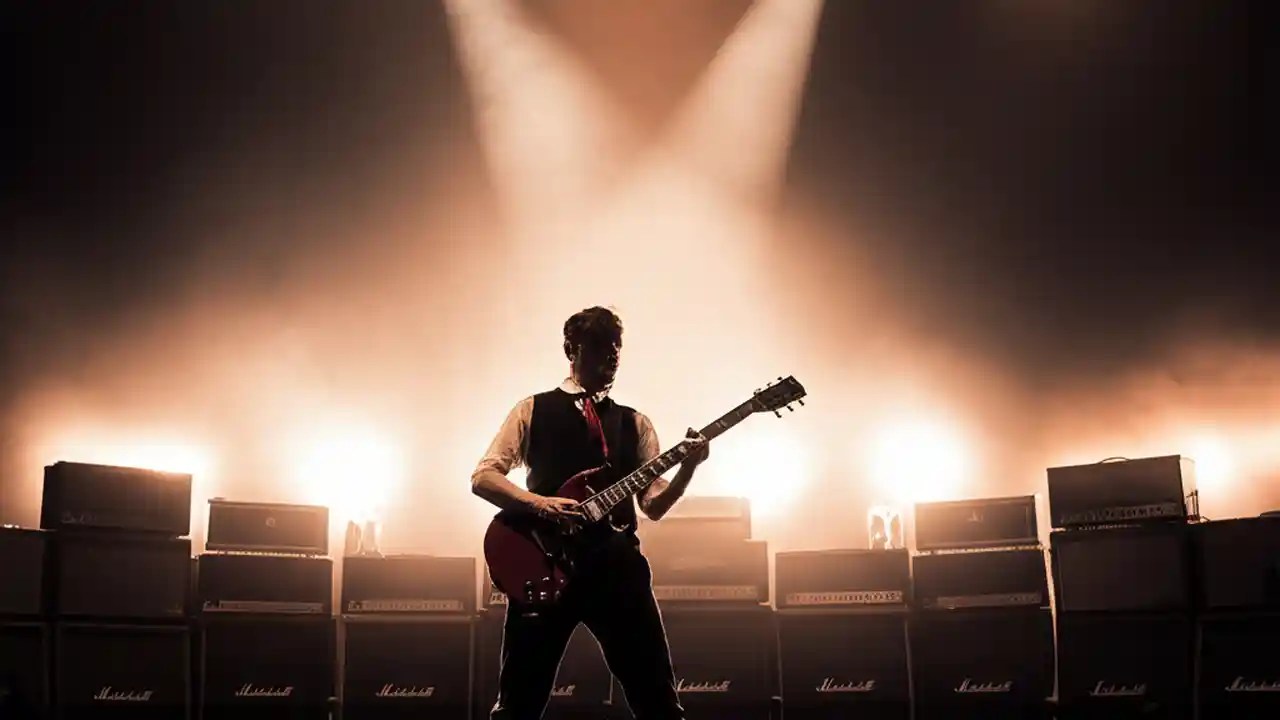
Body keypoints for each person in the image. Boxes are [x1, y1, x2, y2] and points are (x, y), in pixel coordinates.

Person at [471, 305, 710, 720]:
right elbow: (484, 477)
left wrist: (688, 468)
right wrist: (542, 504)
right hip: (544, 565)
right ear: (572, 349)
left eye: (616, 345)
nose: (612, 353)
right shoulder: (531, 409)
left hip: (617, 570)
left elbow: (653, 505)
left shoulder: (635, 423)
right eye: (600, 345)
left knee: (659, 703)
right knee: (516, 707)